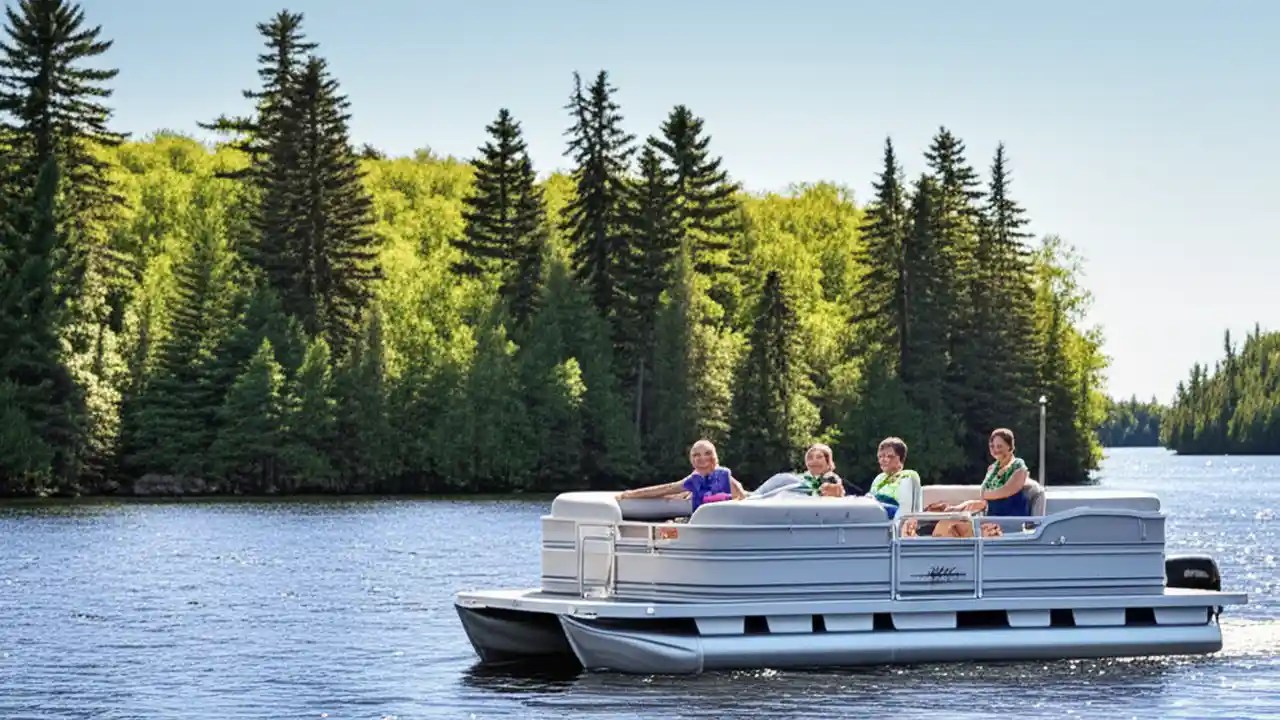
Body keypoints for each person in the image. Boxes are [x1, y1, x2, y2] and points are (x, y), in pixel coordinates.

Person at [903, 428, 1029, 538]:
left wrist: (983, 499)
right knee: (947, 519)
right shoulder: (992, 469)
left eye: (999, 446)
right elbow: (985, 495)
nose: (995, 450)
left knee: (950, 523)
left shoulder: (1018, 466)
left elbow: (1006, 491)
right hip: (988, 517)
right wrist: (963, 506)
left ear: (1010, 446)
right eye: (992, 446)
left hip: (1007, 521)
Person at [616, 439, 746, 513]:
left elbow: (741, 497)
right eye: (696, 455)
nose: (702, 458)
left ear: (714, 456)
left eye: (707, 453)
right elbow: (665, 489)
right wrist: (629, 494)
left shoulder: (724, 475)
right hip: (700, 525)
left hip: (724, 524)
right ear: (692, 460)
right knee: (667, 533)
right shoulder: (694, 480)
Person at [864, 437, 920, 519]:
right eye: (880, 457)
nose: (883, 460)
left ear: (900, 458)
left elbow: (905, 509)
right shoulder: (879, 478)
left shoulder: (908, 476)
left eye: (889, 456)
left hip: (893, 520)